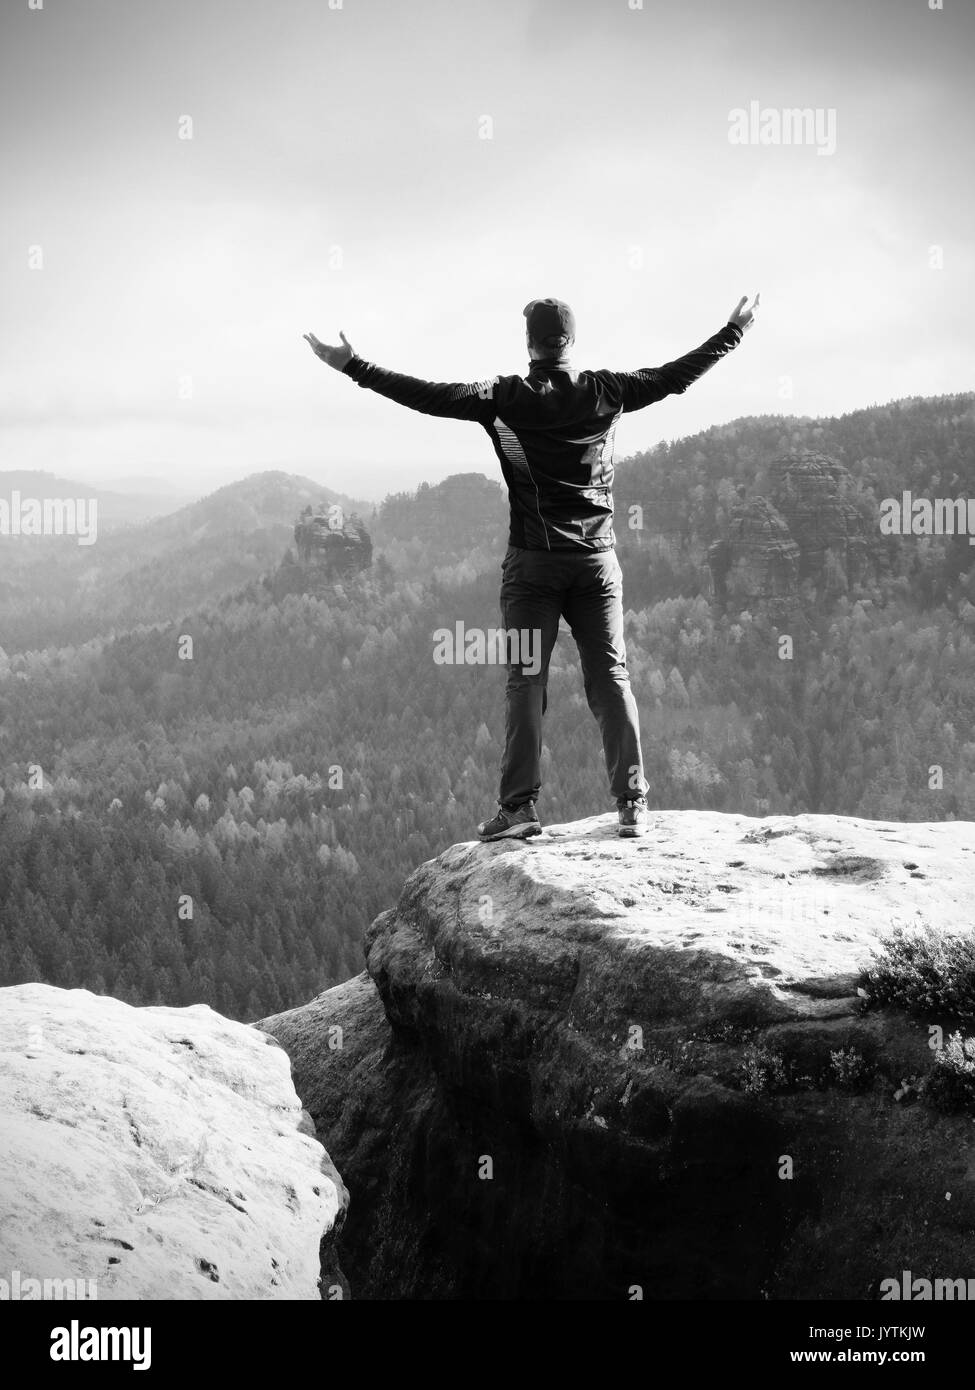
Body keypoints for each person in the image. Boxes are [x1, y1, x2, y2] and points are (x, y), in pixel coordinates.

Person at [304, 292, 759, 841]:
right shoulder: (609, 389)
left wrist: (354, 366)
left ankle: (519, 808)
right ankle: (632, 802)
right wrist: (733, 331)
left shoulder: (503, 397)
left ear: (529, 344)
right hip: (596, 563)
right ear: (571, 341)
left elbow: (428, 397)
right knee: (612, 677)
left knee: (526, 680)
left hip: (533, 565)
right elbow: (676, 376)